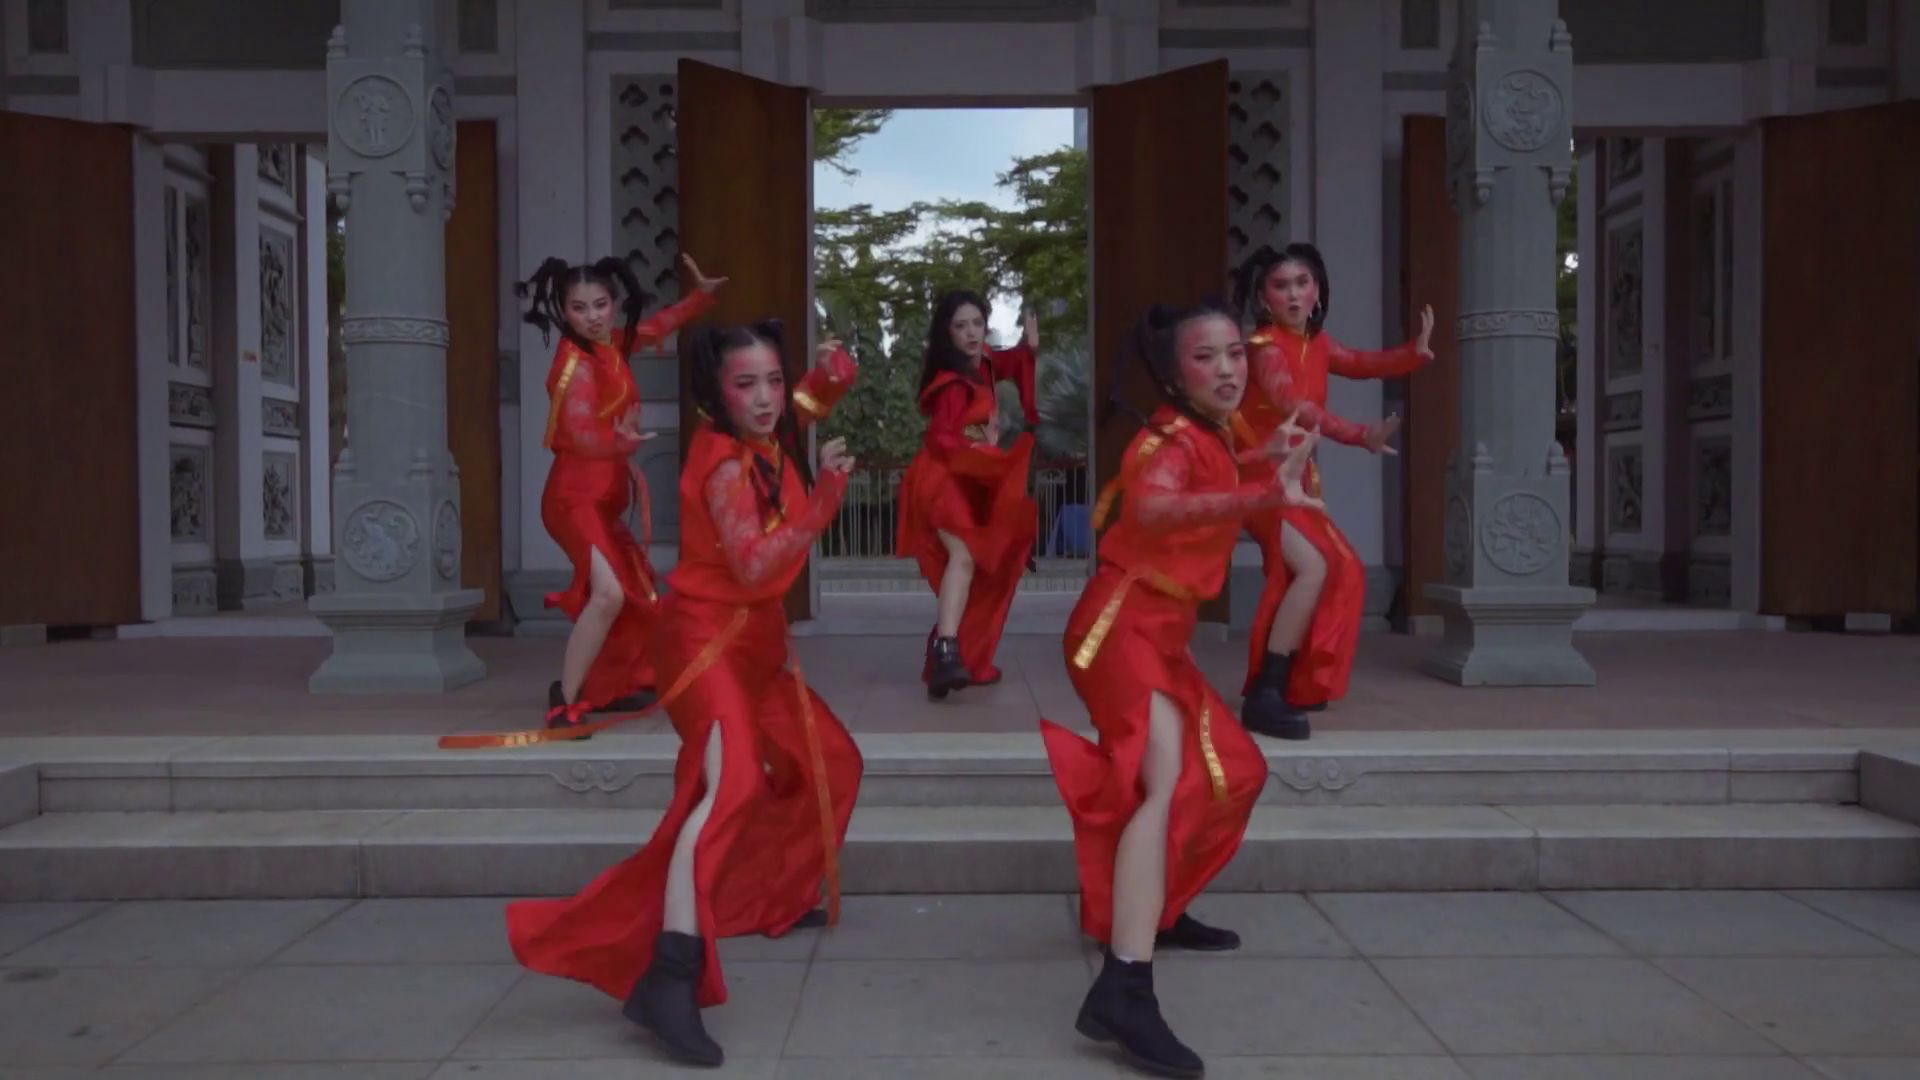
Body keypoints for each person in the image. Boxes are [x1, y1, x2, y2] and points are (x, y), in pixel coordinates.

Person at [506, 322, 864, 1069]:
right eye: (746, 385)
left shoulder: (764, 427)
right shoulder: (723, 466)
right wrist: (824, 501)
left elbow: (803, 401)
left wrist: (835, 371)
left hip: (755, 642)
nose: (766, 399)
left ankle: (755, 898)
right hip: (706, 643)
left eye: (773, 380)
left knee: (828, 760)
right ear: (716, 392)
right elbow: (760, 564)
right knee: (729, 787)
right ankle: (669, 973)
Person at [1041, 299, 1322, 1078]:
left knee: (1234, 774)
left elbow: (1219, 476)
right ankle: (1124, 986)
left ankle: (1154, 912)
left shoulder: (1214, 433)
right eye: (1207, 358)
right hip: (1121, 630)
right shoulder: (1161, 440)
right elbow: (1156, 506)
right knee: (1161, 783)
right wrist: (1265, 493)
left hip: (1159, 636)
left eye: (1235, 353)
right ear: (1174, 371)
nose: (1229, 369)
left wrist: (1268, 457)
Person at [1231, 243, 1434, 741]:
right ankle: (1265, 690)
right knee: (1314, 566)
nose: (1294, 294)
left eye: (1303, 283)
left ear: (1318, 290)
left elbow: (1362, 361)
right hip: (1258, 479)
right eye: (1281, 286)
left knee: (1342, 567)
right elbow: (1296, 407)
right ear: (1264, 296)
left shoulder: (1316, 344)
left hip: (1296, 483)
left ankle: (1300, 683)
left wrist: (1414, 354)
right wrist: (1360, 435)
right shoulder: (1265, 349)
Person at [523, 254, 724, 732]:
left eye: (600, 304)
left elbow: (655, 328)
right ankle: (564, 698)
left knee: (636, 592)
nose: (592, 316)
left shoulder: (608, 346)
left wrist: (700, 298)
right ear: (562, 311)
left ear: (613, 305)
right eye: (578, 308)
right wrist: (622, 441)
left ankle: (609, 684)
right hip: (574, 497)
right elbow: (576, 435)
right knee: (611, 594)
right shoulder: (572, 365)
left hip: (605, 494)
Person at [897, 289, 1042, 698]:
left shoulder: (986, 364)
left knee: (982, 565)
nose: (971, 333)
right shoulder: (953, 384)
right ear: (948, 333)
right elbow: (941, 437)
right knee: (962, 557)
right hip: (942, 476)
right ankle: (947, 651)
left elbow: (1013, 361)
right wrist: (978, 448)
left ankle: (954, 658)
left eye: (977, 323)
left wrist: (1028, 348)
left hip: (967, 475)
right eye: (961, 326)